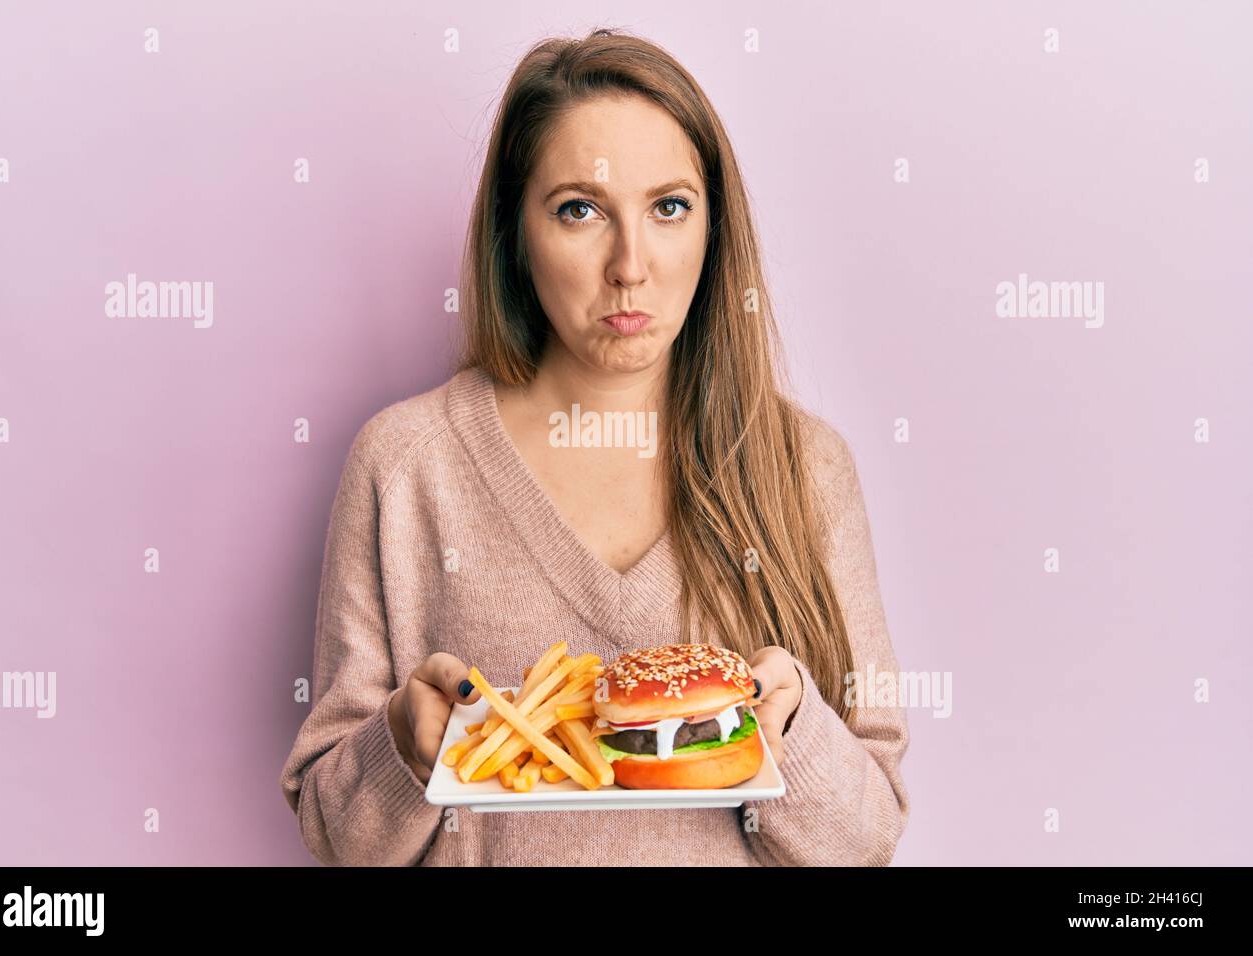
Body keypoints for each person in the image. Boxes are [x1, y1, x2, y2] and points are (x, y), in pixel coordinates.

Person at [279, 27, 910, 866]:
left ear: (715, 232)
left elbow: (870, 837)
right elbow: (334, 833)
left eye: (670, 207)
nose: (630, 265)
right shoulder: (404, 464)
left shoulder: (805, 467)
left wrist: (790, 727)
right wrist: (400, 743)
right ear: (516, 232)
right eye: (580, 209)